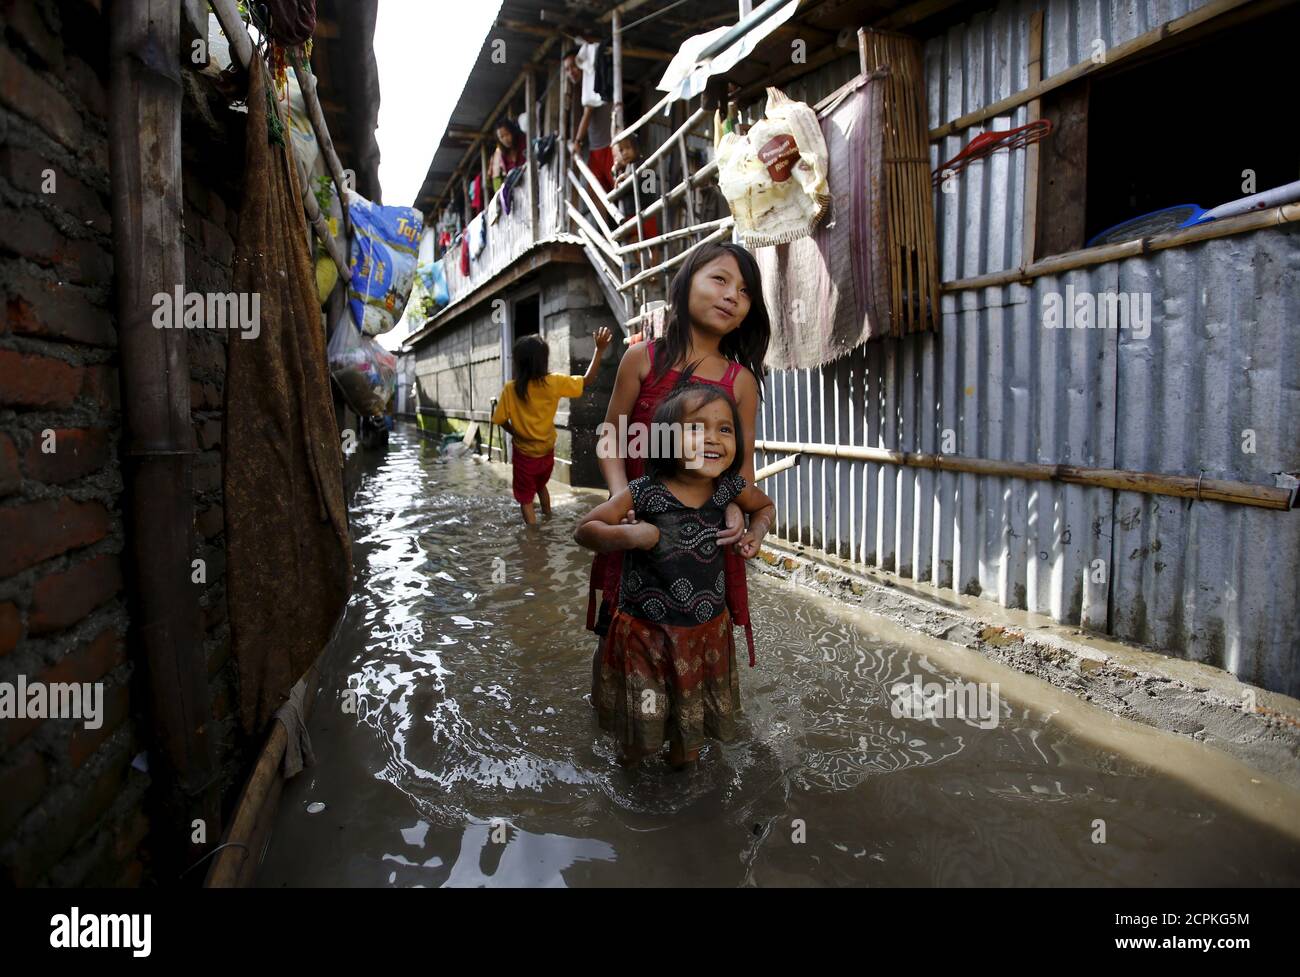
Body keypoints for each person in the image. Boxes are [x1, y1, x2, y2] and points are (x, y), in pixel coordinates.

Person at [586, 241, 772, 712]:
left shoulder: (740, 382)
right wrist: (622, 504)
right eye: (720, 279)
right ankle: (622, 724)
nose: (733, 295)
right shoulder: (642, 359)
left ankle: (688, 738)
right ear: (686, 281)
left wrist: (735, 506)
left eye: (745, 291)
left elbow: (741, 465)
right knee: (624, 628)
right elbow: (611, 439)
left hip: (703, 533)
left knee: (699, 633)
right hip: (638, 527)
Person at [575, 384, 776, 768]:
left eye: (725, 429)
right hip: (646, 637)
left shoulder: (728, 490)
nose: (713, 439)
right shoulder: (644, 493)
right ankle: (632, 790)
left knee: (691, 738)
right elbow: (585, 529)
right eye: (697, 429)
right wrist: (632, 535)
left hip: (706, 636)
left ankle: (685, 794)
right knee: (640, 740)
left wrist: (756, 532)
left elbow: (765, 507)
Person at [492, 328, 613, 525]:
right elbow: (587, 380)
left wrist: (516, 433)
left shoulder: (511, 389)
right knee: (541, 486)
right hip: (547, 452)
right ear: (543, 360)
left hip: (524, 455)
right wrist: (599, 350)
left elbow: (498, 420)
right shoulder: (554, 382)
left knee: (525, 499)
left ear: (518, 362)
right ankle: (548, 517)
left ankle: (533, 537)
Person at [489, 116, 527, 193]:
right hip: (520, 192)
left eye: (507, 134)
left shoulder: (524, 141)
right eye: (501, 137)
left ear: (512, 131)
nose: (505, 139)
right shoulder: (503, 155)